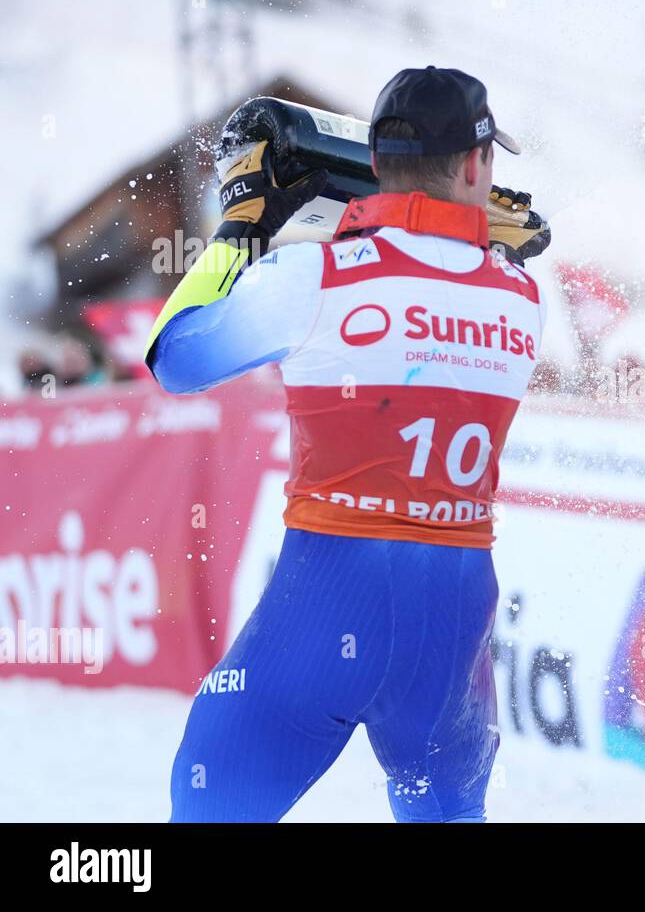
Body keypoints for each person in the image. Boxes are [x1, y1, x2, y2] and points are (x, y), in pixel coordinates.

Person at [145, 66, 550, 822]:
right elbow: (435, 260)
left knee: (210, 806)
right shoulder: (526, 298)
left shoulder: (311, 277)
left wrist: (245, 228)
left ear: (376, 162)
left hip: (324, 604)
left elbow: (176, 359)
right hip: (452, 623)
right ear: (475, 165)